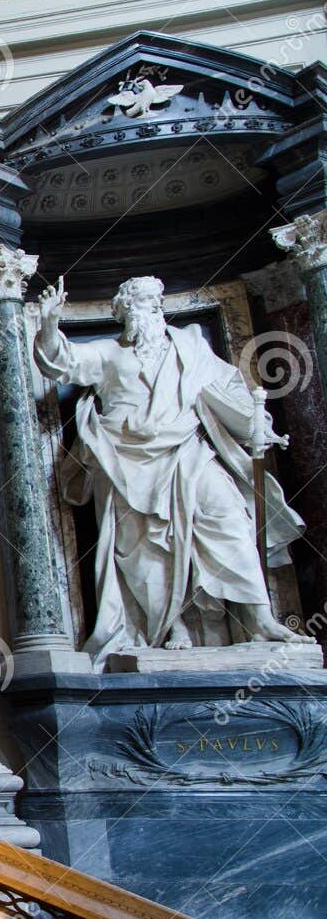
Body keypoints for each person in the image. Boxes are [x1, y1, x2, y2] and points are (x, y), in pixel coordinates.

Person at [33, 275, 308, 658]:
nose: (155, 310)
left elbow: (229, 392)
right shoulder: (110, 354)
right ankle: (169, 627)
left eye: (158, 303)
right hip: (126, 464)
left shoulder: (190, 347)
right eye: (146, 304)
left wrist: (257, 424)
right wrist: (48, 324)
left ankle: (260, 620)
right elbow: (60, 363)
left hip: (187, 451)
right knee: (147, 552)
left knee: (229, 517)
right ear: (126, 312)